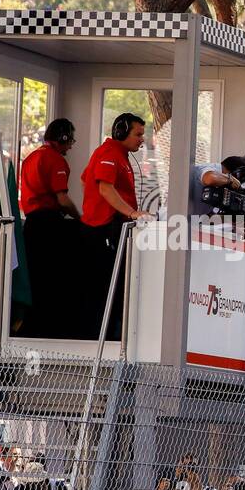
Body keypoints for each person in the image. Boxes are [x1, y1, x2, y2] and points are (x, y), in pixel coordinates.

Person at [80, 113, 153, 340]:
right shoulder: (109, 153)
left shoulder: (119, 155)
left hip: (108, 228)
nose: (142, 139)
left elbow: (86, 179)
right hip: (102, 231)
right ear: (121, 132)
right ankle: (102, 339)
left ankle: (108, 336)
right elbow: (105, 188)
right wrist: (131, 212)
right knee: (105, 289)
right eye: (138, 134)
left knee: (112, 287)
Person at [19, 118, 82, 337]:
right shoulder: (54, 160)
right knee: (51, 279)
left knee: (35, 277)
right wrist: (79, 218)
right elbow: (62, 199)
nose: (71, 145)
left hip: (31, 226)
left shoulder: (29, 159)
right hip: (49, 226)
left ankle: (31, 326)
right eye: (70, 140)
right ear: (62, 138)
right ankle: (48, 328)